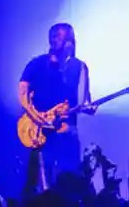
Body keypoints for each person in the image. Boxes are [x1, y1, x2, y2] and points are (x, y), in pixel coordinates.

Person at [19, 23, 95, 184]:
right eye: (65, 37)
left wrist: (89, 107)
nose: (70, 42)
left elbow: (85, 99)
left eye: (72, 38)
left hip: (67, 130)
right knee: (38, 179)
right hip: (39, 131)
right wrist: (37, 118)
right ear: (53, 40)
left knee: (70, 178)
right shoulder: (36, 64)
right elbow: (23, 94)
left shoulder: (80, 67)